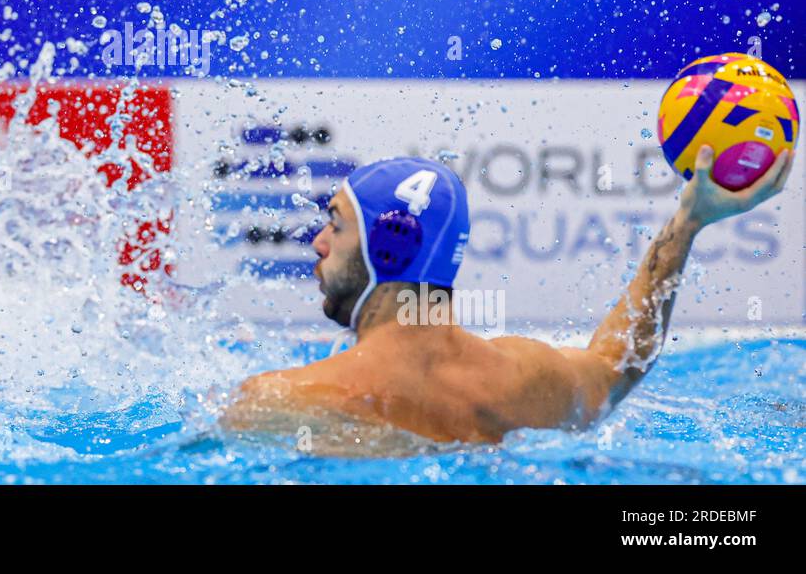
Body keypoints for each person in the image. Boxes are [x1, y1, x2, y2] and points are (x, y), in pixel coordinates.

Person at [220, 147, 794, 445]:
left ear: (387, 247)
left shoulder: (284, 400)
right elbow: (617, 365)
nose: (318, 242)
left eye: (337, 225)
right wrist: (687, 224)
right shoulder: (527, 381)